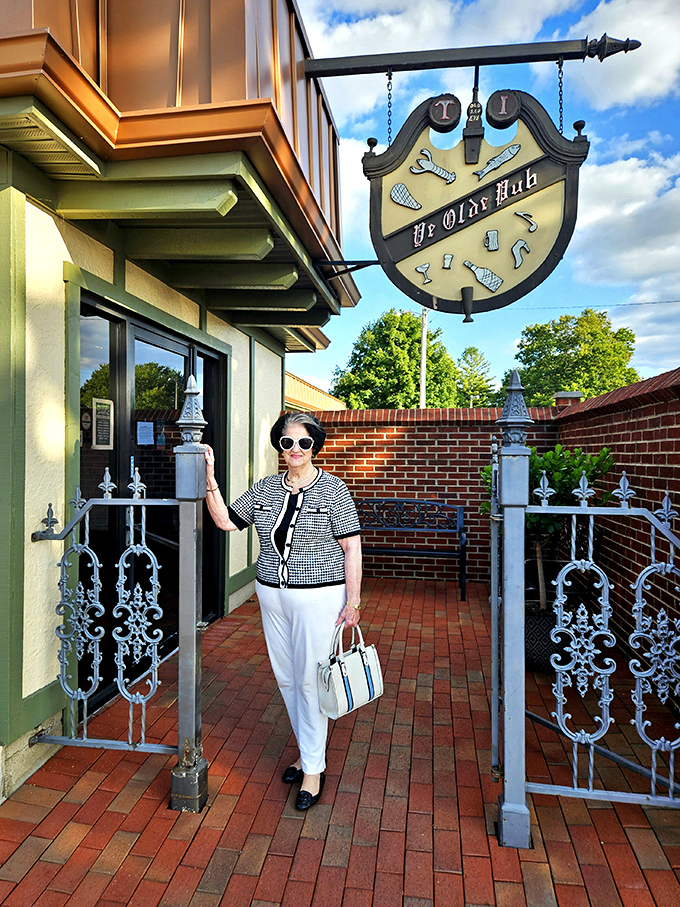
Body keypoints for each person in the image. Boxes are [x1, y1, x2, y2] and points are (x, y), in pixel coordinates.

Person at [203, 412, 362, 811]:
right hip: (272, 595)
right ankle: (310, 754)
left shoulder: (333, 490)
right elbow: (225, 521)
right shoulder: (266, 489)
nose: (294, 450)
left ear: (315, 446)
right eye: (287, 442)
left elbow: (352, 549)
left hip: (319, 598)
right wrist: (209, 479)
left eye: (303, 443)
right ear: (279, 446)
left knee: (310, 681)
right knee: (288, 680)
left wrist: (353, 602)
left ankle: (313, 768)